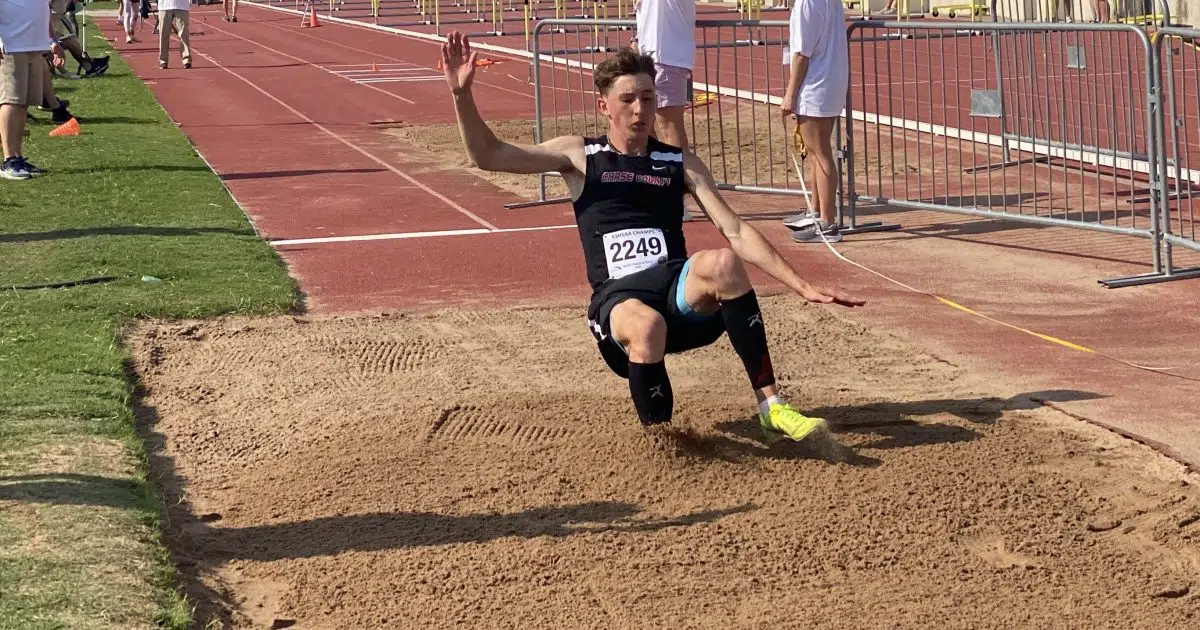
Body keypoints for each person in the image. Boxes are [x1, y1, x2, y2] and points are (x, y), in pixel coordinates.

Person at [440, 32, 865, 442]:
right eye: (627, 99)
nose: (639, 109)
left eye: (647, 97)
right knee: (647, 325)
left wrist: (801, 285)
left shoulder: (678, 163)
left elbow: (734, 229)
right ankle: (662, 441)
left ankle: (772, 407)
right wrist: (461, 94)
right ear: (604, 106)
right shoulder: (580, 155)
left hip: (676, 293)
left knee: (722, 262)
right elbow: (489, 155)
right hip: (619, 302)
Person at [779, 0, 849, 244]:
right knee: (815, 152)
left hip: (816, 84)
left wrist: (790, 94)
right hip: (829, 81)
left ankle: (828, 222)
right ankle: (817, 211)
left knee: (820, 153)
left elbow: (801, 53)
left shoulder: (807, 4)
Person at [632, 0, 699, 221]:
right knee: (645, 126)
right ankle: (656, 187)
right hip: (652, 56)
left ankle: (676, 198)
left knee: (670, 128)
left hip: (665, 58)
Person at [0, 0, 66, 179]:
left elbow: (43, 11)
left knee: (23, 103)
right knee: (11, 100)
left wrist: (53, 41)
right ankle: (9, 160)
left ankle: (17, 157)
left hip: (35, 47)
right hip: (11, 46)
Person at [157, 0, 191, 70]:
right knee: (163, 34)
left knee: (184, 34)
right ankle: (163, 60)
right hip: (164, 5)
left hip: (182, 5)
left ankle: (186, 59)